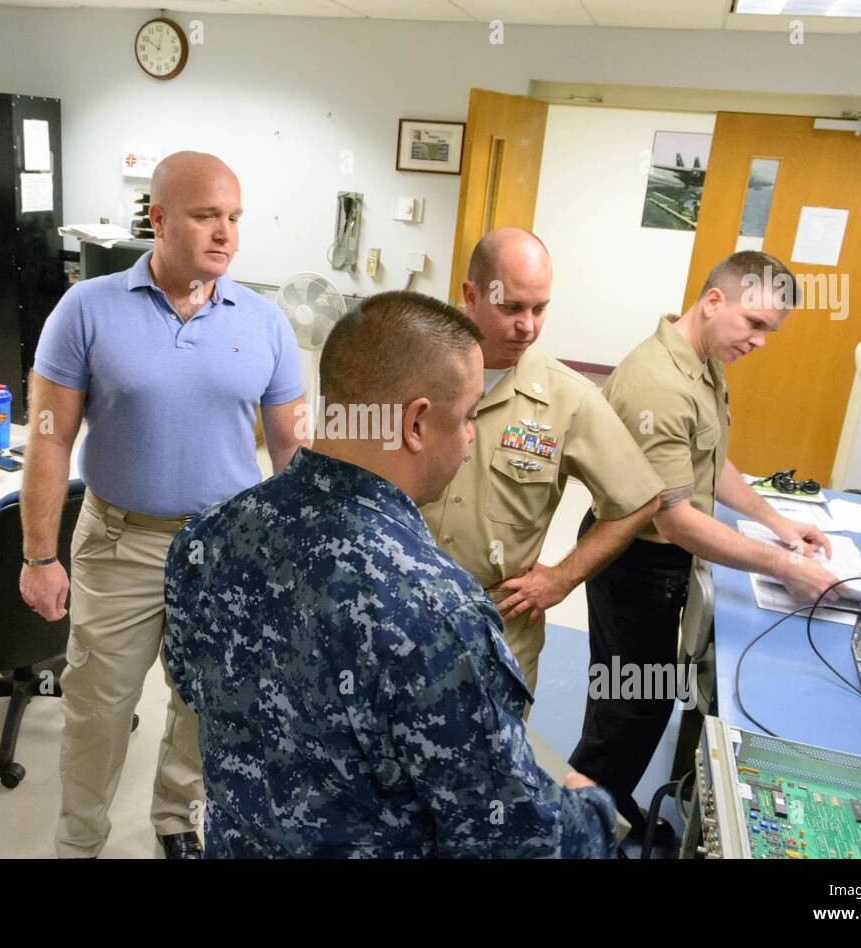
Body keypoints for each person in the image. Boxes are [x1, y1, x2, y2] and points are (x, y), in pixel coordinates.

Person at [163, 290, 616, 858]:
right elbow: (512, 838)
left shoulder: (206, 538)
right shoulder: (437, 610)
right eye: (470, 415)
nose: (473, 434)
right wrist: (593, 809)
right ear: (417, 424)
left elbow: (194, 686)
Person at [19, 151, 306, 859]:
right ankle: (79, 841)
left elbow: (291, 453)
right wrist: (38, 554)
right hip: (119, 544)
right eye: (208, 216)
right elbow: (50, 441)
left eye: (234, 217)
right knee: (98, 711)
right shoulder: (86, 309)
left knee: (203, 703)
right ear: (159, 219)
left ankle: (178, 819)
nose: (226, 234)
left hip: (227, 550)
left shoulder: (265, 322)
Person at [569, 250, 842, 836]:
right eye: (756, 324)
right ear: (714, 302)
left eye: (770, 330)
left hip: (658, 559)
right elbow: (675, 520)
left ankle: (607, 805)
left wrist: (778, 523)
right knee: (630, 707)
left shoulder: (702, 359)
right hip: (633, 559)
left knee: (639, 700)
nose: (762, 342)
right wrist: (784, 568)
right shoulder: (658, 385)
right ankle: (575, 827)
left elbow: (709, 466)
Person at [421, 228, 662, 698]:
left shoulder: (567, 398)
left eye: (540, 308)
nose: (527, 325)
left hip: (496, 630)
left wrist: (562, 578)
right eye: (511, 307)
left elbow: (639, 499)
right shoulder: (415, 373)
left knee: (492, 767)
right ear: (472, 295)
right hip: (398, 615)